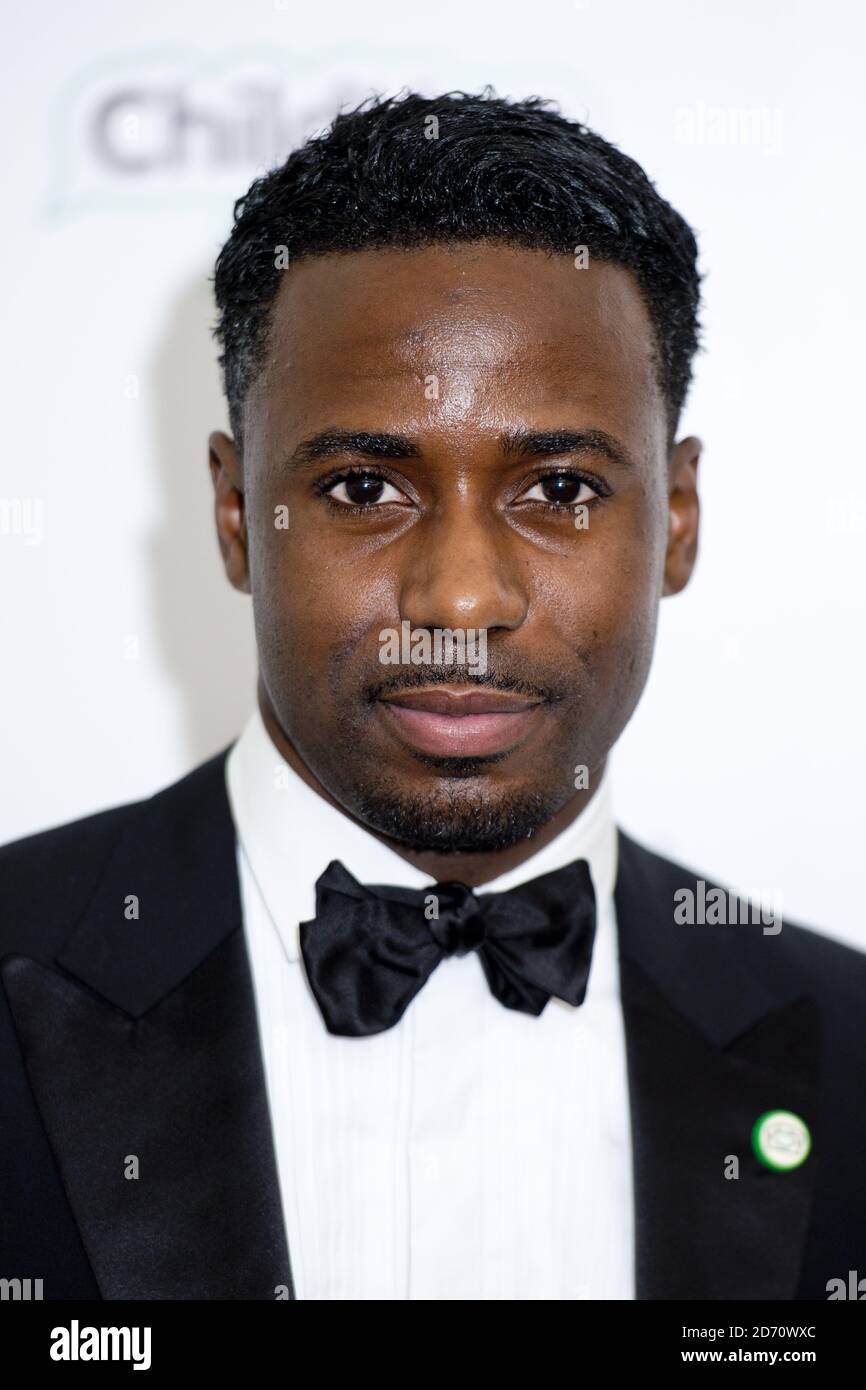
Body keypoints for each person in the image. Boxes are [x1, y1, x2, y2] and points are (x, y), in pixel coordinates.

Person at [1, 89, 863, 1302]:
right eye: (361, 488)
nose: (460, 599)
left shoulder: (844, 1041)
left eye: (559, 488)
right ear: (236, 513)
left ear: (675, 520)